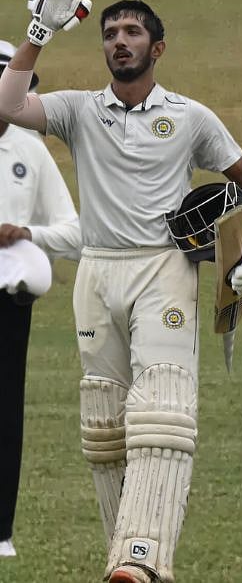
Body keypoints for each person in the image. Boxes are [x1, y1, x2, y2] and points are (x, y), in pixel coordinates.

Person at [0, 0, 242, 583]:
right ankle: (134, 562)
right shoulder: (77, 111)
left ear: (157, 47)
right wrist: (38, 31)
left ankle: (139, 561)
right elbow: (7, 103)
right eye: (109, 32)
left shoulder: (188, 117)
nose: (118, 41)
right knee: (105, 426)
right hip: (98, 273)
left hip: (164, 269)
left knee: (161, 414)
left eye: (131, 31)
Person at [0, 38, 82, 559]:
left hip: (9, 302)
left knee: (7, 409)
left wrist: (27, 233)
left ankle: (0, 530)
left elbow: (75, 231)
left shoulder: (30, 150)